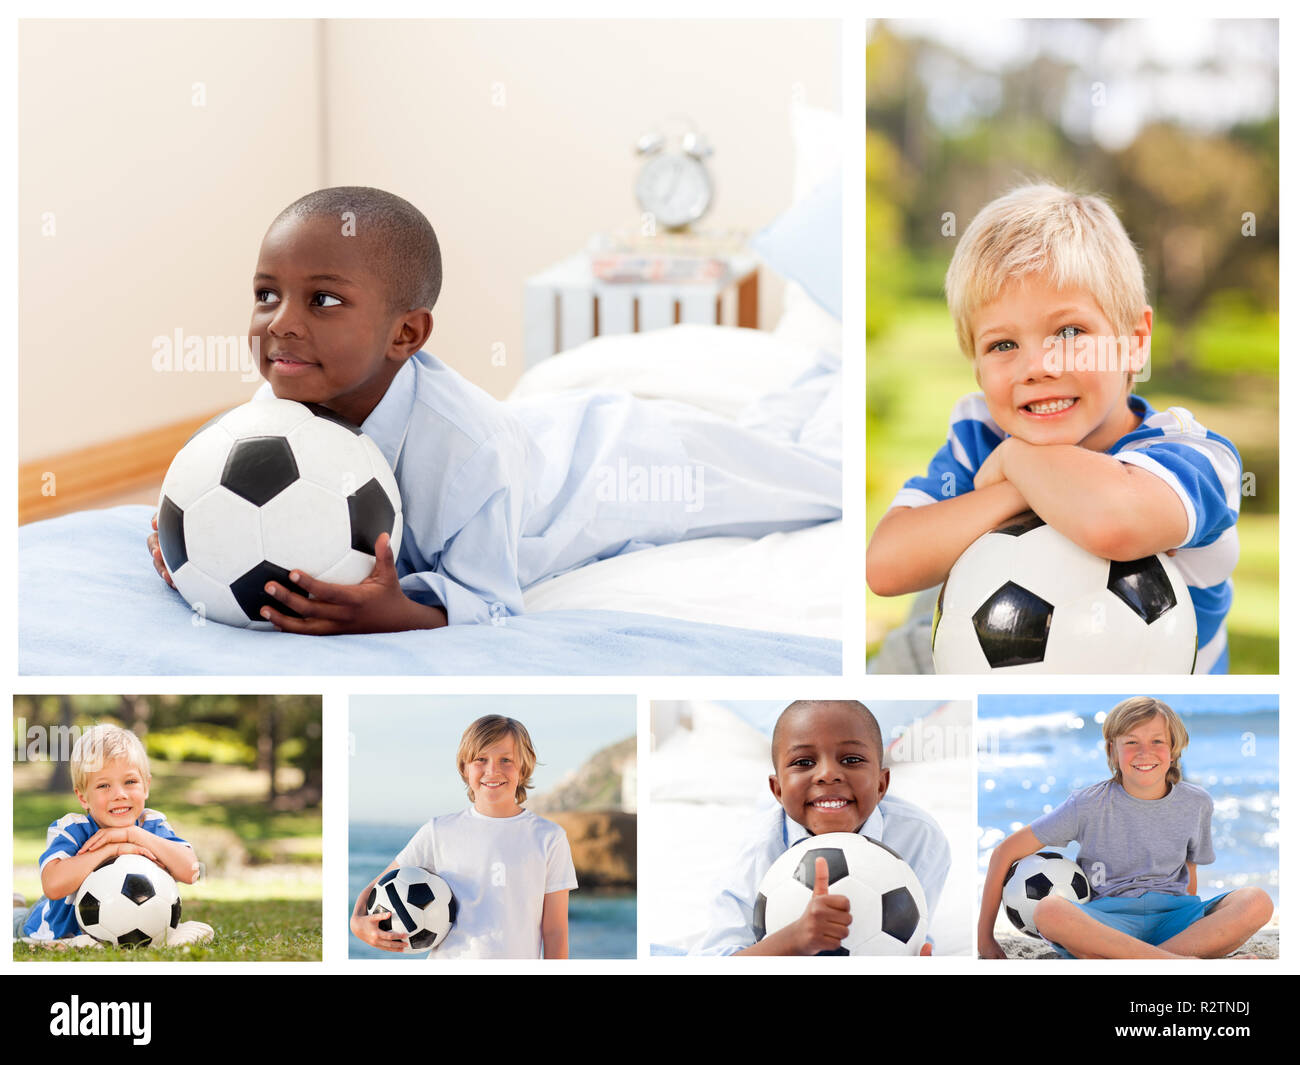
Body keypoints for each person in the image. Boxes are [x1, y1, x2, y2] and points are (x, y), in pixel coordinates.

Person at [149, 186, 840, 634]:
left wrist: (401, 611)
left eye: (322, 300)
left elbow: (492, 599)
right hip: (540, 429)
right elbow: (222, 489)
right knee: (765, 436)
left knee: (809, 480)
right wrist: (194, 544)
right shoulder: (282, 400)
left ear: (406, 334)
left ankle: (833, 367)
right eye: (267, 294)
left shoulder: (465, 452)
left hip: (617, 461)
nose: (281, 324)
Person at [865, 183, 1241, 673]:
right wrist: (1017, 488)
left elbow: (1113, 521)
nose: (1037, 367)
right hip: (958, 638)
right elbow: (886, 565)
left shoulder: (1192, 456)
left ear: (1135, 342)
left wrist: (1017, 462)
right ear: (976, 368)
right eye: (1002, 345)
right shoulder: (980, 435)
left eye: (1069, 332)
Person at [978, 696, 1272, 959]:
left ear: (1173, 750)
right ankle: (1176, 963)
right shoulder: (1087, 804)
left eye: (1157, 741)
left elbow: (1189, 873)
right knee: (1048, 910)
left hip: (1175, 919)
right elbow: (1004, 853)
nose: (1145, 752)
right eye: (1131, 742)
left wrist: (1196, 927)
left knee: (1257, 901)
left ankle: (1144, 961)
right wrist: (985, 939)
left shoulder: (1197, 802)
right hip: (1107, 922)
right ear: (1112, 751)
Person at [691, 700, 949, 956]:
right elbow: (714, 959)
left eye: (851, 759)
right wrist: (793, 940)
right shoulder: (759, 850)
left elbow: (911, 938)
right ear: (777, 790)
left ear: (882, 784)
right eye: (803, 762)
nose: (827, 774)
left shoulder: (921, 840)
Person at [350, 715, 576, 959]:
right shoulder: (438, 831)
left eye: (506, 760)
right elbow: (378, 886)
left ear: (524, 767)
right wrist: (356, 924)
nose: (493, 770)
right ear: (464, 768)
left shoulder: (549, 838)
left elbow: (555, 932)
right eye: (481, 759)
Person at [15, 724, 209, 947]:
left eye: (130, 782)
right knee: (14, 921)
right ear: (83, 797)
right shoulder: (73, 829)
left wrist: (132, 834)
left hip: (132, 924)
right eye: (104, 785)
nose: (119, 794)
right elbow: (53, 885)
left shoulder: (151, 824)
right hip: (49, 926)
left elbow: (191, 871)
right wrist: (111, 848)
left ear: (146, 786)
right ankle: (15, 907)